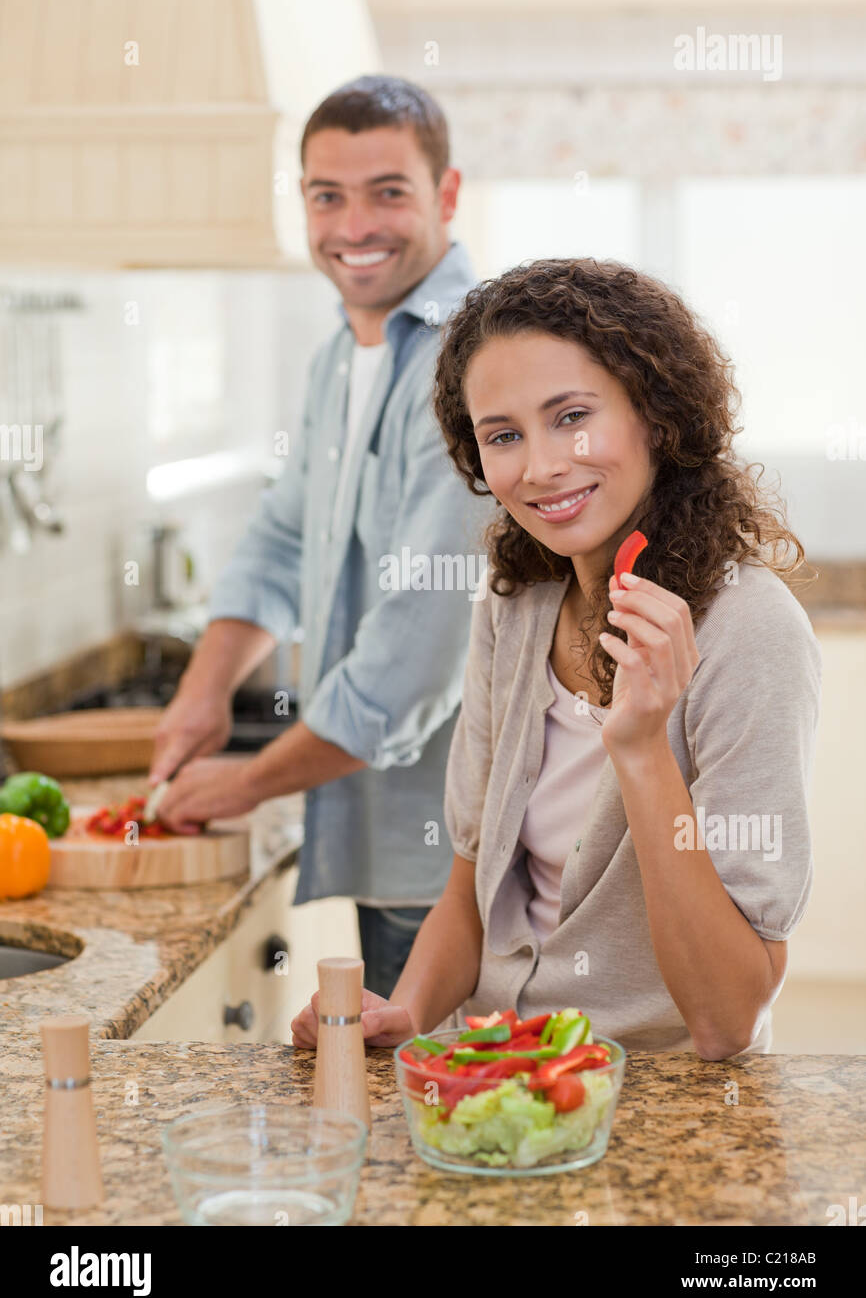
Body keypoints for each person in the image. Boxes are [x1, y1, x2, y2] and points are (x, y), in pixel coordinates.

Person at [291, 257, 822, 1059]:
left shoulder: (749, 632)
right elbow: (471, 893)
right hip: (500, 1077)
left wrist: (641, 749)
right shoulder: (515, 604)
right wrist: (407, 1014)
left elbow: (726, 1019)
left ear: (656, 414)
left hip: (665, 1105)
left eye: (571, 416)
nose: (539, 467)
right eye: (503, 435)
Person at [151, 76, 493, 997]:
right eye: (326, 195)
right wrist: (204, 691)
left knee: (444, 1125)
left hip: (458, 859)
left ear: (446, 195)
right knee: (389, 1118)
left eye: (388, 191)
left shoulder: (475, 360)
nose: (355, 226)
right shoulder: (341, 354)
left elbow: (415, 656)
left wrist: (247, 783)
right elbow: (283, 536)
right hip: (375, 832)